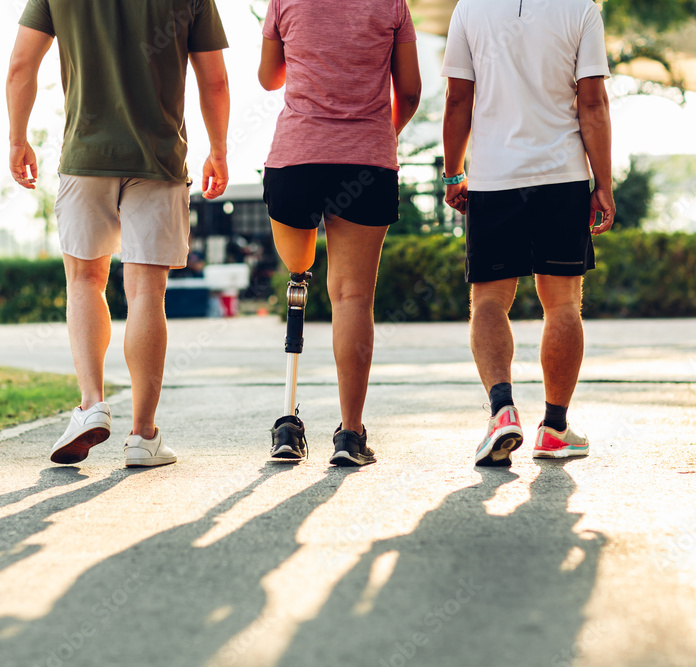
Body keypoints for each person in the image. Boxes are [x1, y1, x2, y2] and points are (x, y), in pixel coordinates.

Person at [6, 0, 230, 468]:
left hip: (85, 158)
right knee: (146, 291)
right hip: (159, 162)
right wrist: (219, 150)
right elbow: (215, 80)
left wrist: (18, 138)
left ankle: (91, 405)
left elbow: (21, 65)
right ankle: (143, 437)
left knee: (85, 282)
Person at [441, 0, 616, 466]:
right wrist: (603, 184)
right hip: (562, 177)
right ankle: (555, 429)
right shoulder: (581, 9)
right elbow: (592, 103)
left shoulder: (469, 10)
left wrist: (454, 174)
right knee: (562, 303)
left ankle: (502, 412)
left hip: (493, 179)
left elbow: (458, 100)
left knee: (489, 300)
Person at [259, 0, 422, 466]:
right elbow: (410, 91)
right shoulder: (392, 4)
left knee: (300, 268)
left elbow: (269, 78)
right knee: (352, 297)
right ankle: (350, 435)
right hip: (366, 162)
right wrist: (384, 134)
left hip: (297, 160)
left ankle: (287, 427)